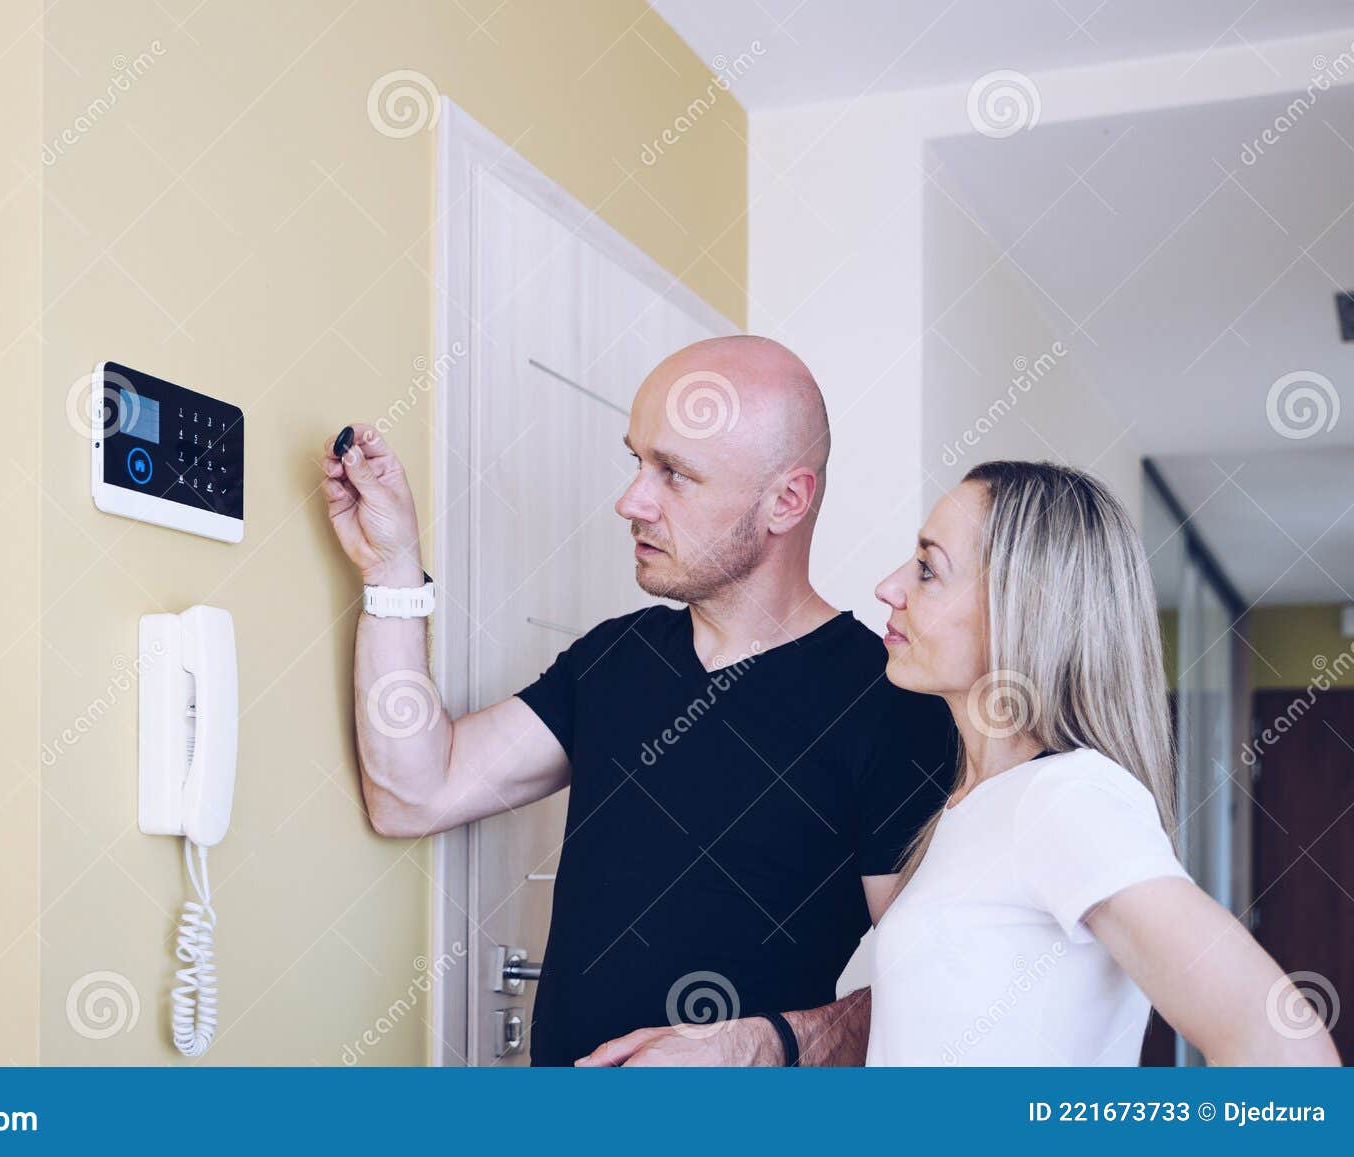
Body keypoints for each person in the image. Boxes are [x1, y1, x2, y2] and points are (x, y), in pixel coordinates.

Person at [320, 335, 956, 1066]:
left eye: (675, 474)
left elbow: (936, 991)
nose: (631, 500)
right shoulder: (618, 656)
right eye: (638, 461)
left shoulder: (890, 704)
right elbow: (413, 793)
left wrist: (765, 1043)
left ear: (786, 500)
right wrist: (392, 566)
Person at [866, 460, 1340, 1065]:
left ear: (1024, 608)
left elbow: (1287, 1055)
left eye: (928, 570)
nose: (889, 586)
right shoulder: (973, 806)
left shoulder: (1066, 798)